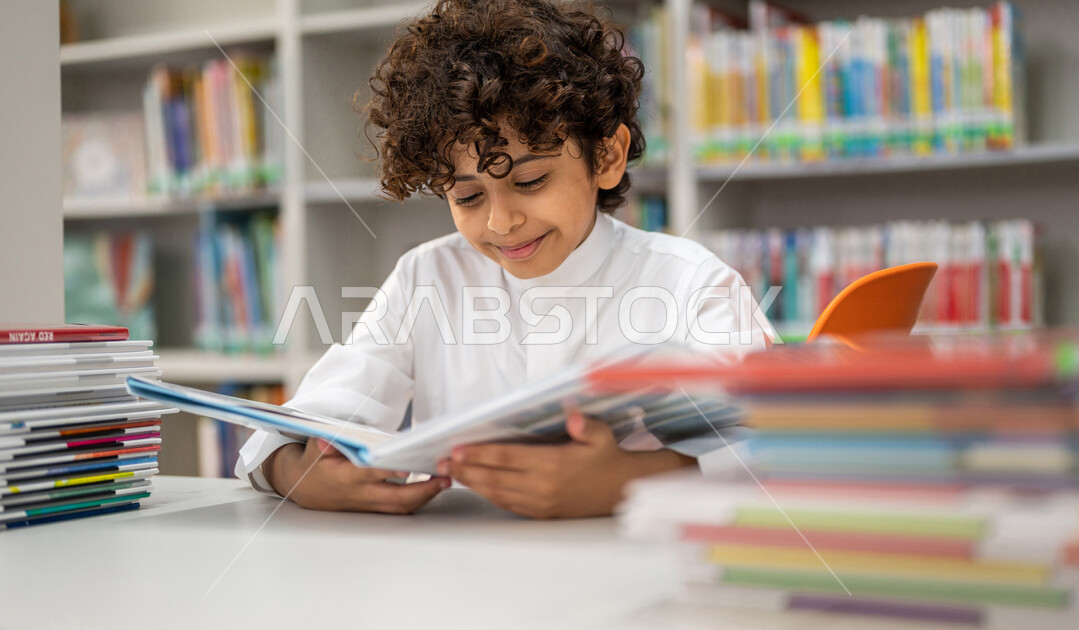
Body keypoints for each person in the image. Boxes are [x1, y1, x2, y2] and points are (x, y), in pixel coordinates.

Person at [235, 0, 774, 518]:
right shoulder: (428, 277)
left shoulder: (691, 283)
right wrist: (296, 474)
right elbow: (289, 431)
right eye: (467, 197)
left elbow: (773, 450)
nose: (500, 222)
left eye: (530, 181)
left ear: (605, 156)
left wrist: (622, 481)